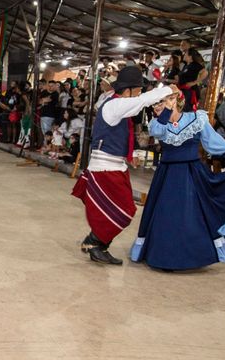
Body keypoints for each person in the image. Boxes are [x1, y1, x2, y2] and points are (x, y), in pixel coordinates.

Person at [131, 90, 225, 270]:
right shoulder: (158, 123)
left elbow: (214, 142)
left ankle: (191, 256)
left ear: (176, 102)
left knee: (191, 214)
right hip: (167, 175)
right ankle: (164, 256)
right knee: (167, 214)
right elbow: (157, 131)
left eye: (161, 102)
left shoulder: (197, 119)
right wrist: (166, 110)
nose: (156, 106)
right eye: (156, 103)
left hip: (192, 172)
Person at [72, 67, 174, 265]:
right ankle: (95, 243)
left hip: (115, 166)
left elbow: (125, 131)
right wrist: (166, 90)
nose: (140, 93)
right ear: (129, 89)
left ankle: (96, 243)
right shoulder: (115, 104)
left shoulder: (119, 105)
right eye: (138, 89)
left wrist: (131, 154)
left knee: (121, 209)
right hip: (105, 168)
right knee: (124, 210)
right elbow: (140, 102)